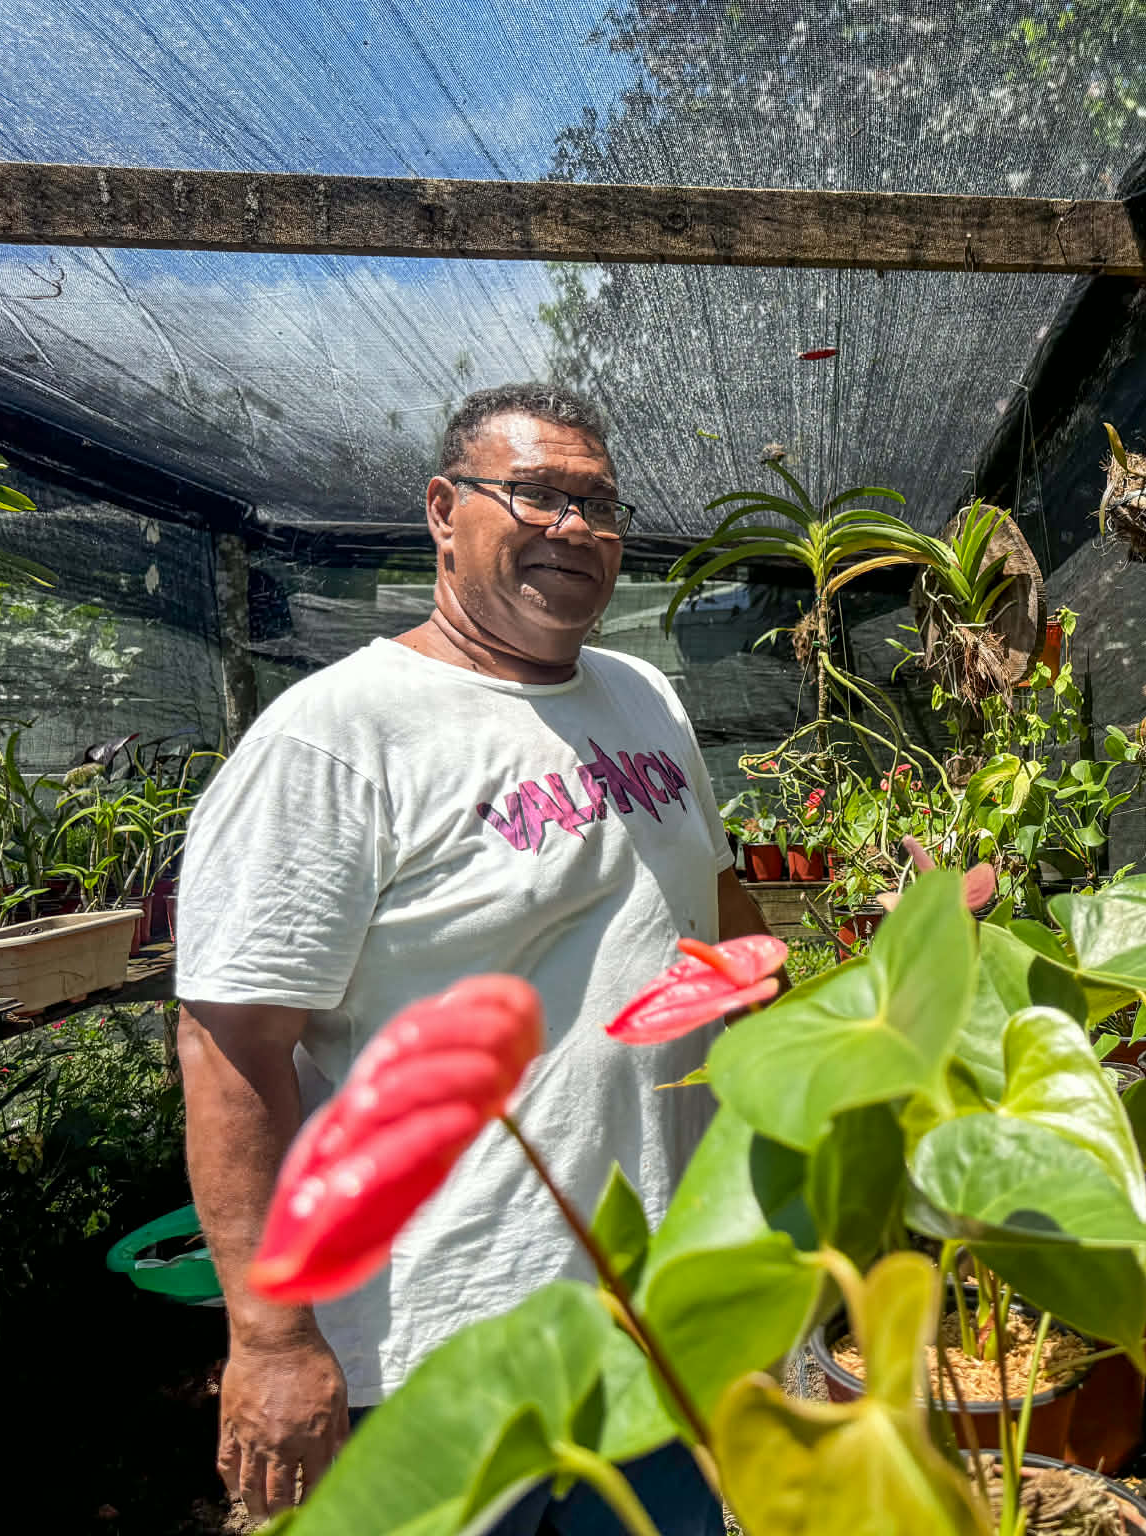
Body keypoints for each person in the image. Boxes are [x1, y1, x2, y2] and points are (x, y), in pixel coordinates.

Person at [175, 382, 774, 1532]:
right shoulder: (338, 734)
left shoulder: (644, 696)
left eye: (599, 504)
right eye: (538, 495)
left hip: (654, 1323)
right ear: (445, 510)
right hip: (439, 1345)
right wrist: (270, 1337)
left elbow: (716, 908)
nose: (577, 530)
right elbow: (230, 1040)